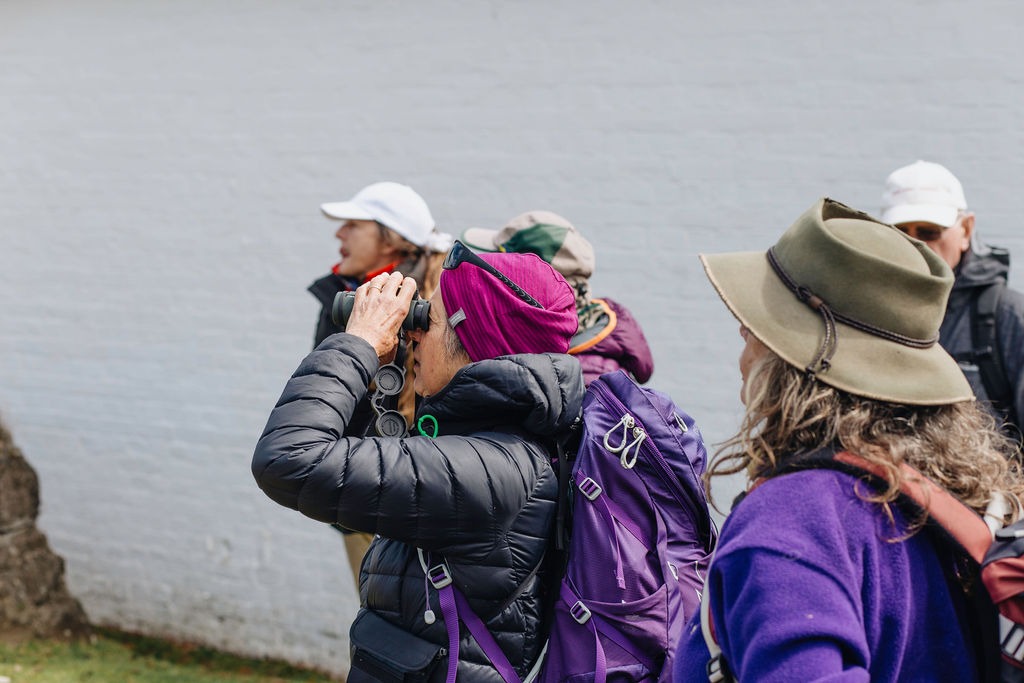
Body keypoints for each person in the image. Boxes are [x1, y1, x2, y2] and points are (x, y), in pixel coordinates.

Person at [673, 198, 1024, 681]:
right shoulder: (944, 492)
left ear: (793, 358)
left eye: (758, 322)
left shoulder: (793, 519)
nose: (742, 330)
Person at [252, 245, 583, 681]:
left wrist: (359, 343)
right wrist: (374, 377)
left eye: (432, 318)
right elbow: (370, 463)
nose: (414, 332)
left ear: (474, 336)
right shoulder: (491, 444)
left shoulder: (490, 467)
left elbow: (290, 459)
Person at [307, 181, 452, 582]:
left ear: (391, 240)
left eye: (353, 225)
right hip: (360, 494)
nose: (340, 234)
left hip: (417, 504)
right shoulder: (344, 296)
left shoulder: (442, 306)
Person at [881, 160, 1024, 442]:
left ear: (966, 230)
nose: (916, 245)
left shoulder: (1008, 319)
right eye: (900, 232)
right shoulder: (864, 314)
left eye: (929, 231)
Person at [461, 211, 654, 385]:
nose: (489, 277)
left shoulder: (580, 381)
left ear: (528, 284)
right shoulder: (594, 328)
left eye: (500, 269)